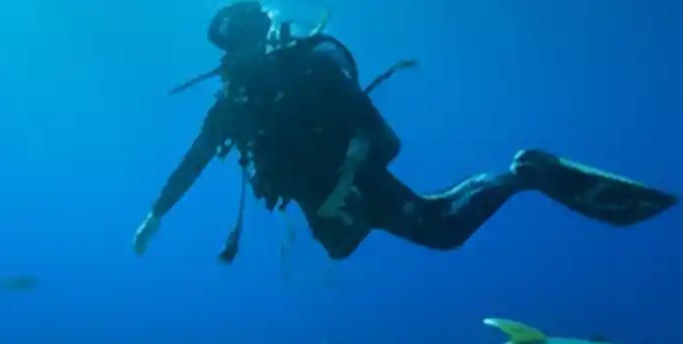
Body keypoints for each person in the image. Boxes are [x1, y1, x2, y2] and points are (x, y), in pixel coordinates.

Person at [133, 2, 677, 262]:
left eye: (247, 46)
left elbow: (381, 135)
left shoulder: (311, 72)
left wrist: (350, 178)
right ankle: (495, 181)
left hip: (354, 187)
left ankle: (526, 173)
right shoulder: (234, 105)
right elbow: (196, 157)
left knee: (442, 234)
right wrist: (156, 214)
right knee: (345, 246)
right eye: (233, 51)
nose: (241, 60)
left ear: (264, 40)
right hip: (322, 205)